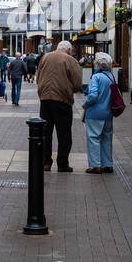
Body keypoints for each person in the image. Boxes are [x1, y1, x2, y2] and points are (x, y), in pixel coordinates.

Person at [36, 39, 83, 172]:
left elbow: (38, 77)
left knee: (46, 132)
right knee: (64, 134)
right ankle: (62, 164)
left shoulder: (45, 57)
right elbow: (78, 83)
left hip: (45, 99)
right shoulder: (70, 60)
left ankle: (46, 162)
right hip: (62, 100)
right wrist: (71, 89)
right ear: (68, 50)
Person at [83, 52, 116, 173]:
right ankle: (108, 164)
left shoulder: (96, 77)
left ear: (98, 64)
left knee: (94, 138)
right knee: (107, 138)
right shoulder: (111, 77)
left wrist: (85, 105)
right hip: (108, 113)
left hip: (95, 113)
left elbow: (92, 95)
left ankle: (96, 165)